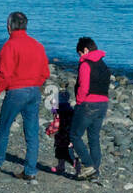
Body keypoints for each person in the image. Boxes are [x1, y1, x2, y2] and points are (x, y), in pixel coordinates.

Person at [0, 12, 49, 180]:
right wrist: (35, 83)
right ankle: (30, 171)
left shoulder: (10, 46)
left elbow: (5, 74)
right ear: (25, 25)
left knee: (3, 128)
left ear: (9, 27)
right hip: (33, 91)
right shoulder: (37, 45)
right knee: (32, 132)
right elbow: (45, 73)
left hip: (17, 91)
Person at [70, 37, 110, 180]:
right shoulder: (104, 65)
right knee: (94, 138)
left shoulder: (85, 64)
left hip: (88, 104)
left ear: (85, 50)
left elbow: (83, 86)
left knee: (74, 136)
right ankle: (95, 171)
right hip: (103, 104)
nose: (80, 57)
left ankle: (89, 166)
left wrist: (79, 103)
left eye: (80, 53)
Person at [45, 88, 78, 176]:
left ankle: (77, 167)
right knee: (61, 151)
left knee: (67, 153)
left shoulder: (58, 111)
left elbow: (56, 124)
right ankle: (61, 166)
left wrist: (49, 130)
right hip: (67, 134)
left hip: (63, 135)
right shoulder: (69, 109)